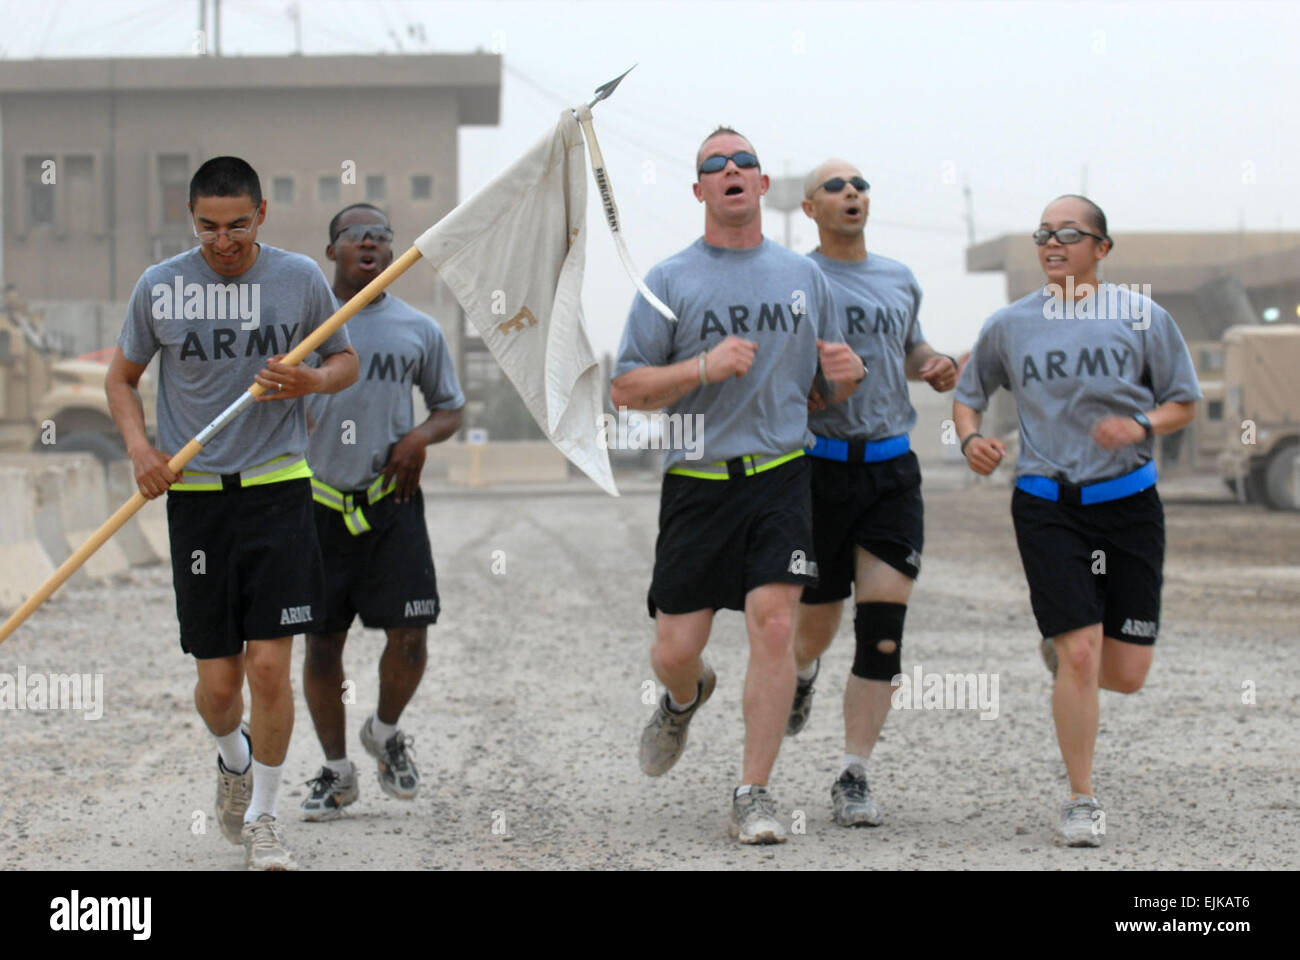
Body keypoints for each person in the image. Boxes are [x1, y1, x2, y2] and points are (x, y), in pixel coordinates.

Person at [611, 127, 865, 845]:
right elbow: (626, 388)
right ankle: (683, 699)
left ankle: (753, 792)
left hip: (780, 476)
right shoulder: (667, 281)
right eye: (714, 165)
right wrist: (701, 368)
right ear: (699, 190)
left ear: (761, 185)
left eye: (744, 162)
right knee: (674, 648)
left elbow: (821, 387)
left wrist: (848, 379)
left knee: (776, 623)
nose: (730, 170)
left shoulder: (803, 276)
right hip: (695, 480)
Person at [106, 156, 358, 870]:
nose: (223, 241)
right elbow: (121, 378)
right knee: (219, 688)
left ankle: (266, 817)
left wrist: (308, 379)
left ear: (262, 215)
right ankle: (232, 757)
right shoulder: (160, 286)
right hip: (194, 498)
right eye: (208, 227)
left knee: (270, 670)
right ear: (193, 221)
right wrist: (140, 449)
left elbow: (346, 363)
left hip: (278, 490)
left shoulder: (299, 278)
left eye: (237, 226)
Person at [953, 194, 1200, 846]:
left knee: (1125, 674)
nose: (1052, 243)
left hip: (1128, 502)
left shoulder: (1145, 319)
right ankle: (1082, 798)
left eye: (1068, 232)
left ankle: (1066, 654)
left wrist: (1142, 423)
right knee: (1083, 654)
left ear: (1102, 248)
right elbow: (968, 393)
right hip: (1047, 501)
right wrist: (971, 439)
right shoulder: (1010, 325)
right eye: (1043, 234)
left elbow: (1184, 402)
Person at [789, 158, 959, 827]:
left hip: (891, 469)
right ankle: (801, 676)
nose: (852, 193)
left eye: (860, 185)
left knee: (882, 634)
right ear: (809, 208)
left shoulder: (898, 277)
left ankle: (854, 773)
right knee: (815, 627)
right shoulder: (796, 280)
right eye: (835, 186)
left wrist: (934, 366)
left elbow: (910, 348)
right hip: (818, 471)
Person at [298, 203, 464, 820]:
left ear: (392, 252)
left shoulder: (417, 329)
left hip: (391, 503)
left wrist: (420, 437)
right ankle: (337, 772)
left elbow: (450, 407)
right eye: (353, 236)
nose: (368, 244)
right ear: (331, 252)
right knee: (321, 644)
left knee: (411, 636)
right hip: (316, 507)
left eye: (380, 237)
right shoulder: (306, 330)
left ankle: (385, 730)